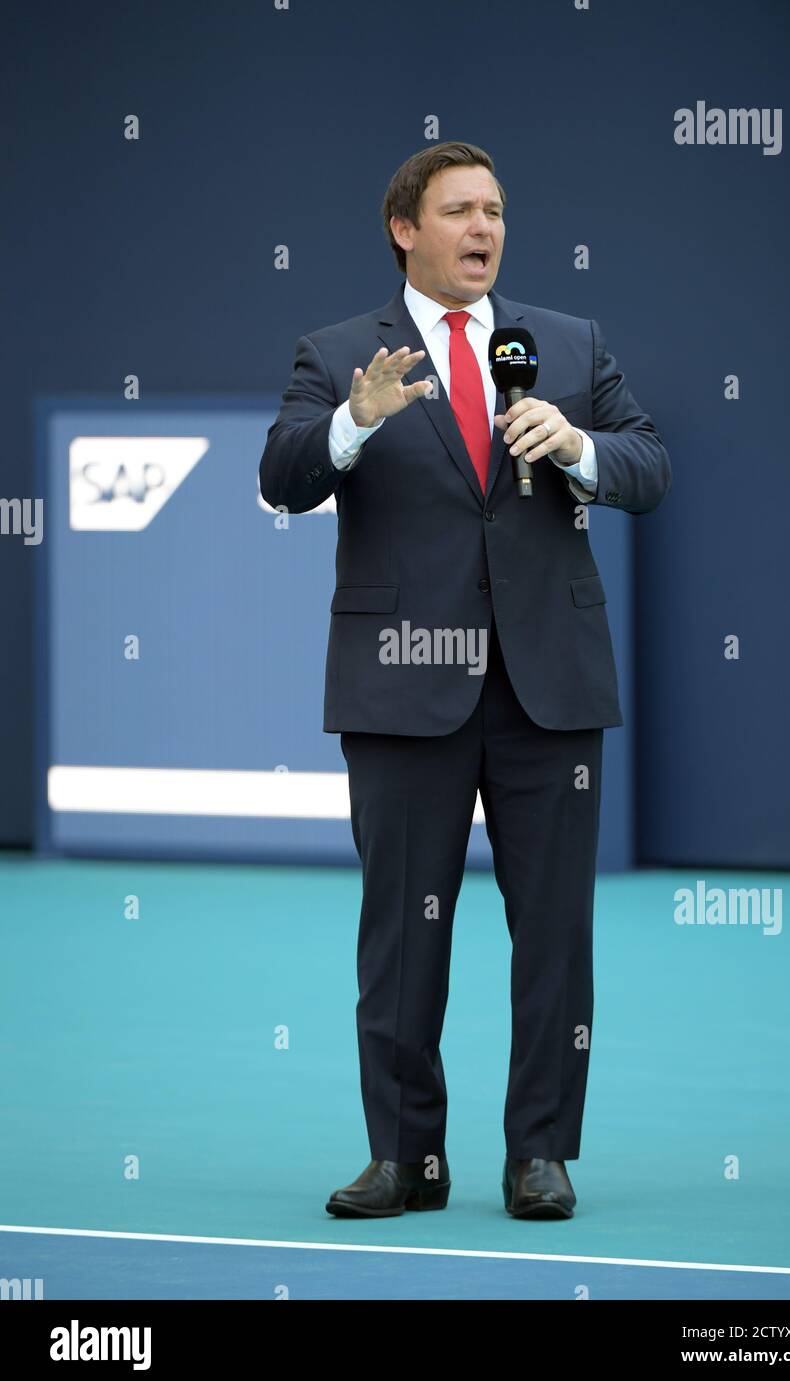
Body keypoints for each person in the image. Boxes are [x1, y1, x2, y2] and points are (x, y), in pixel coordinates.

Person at [259, 141, 671, 1220]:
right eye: (458, 212)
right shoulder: (342, 351)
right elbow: (283, 475)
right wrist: (353, 421)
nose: (482, 230)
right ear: (405, 228)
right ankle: (405, 1161)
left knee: (553, 935)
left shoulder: (565, 345)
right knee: (404, 931)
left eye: (493, 211)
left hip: (549, 684)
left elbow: (649, 463)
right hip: (403, 686)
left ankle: (538, 1153)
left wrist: (578, 444)